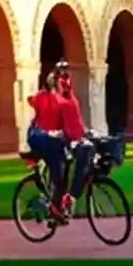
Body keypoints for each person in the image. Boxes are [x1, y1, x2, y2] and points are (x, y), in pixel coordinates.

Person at [26, 70, 67, 218]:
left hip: (44, 137)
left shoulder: (44, 98)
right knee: (57, 166)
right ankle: (54, 205)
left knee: (62, 162)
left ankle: (56, 198)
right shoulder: (55, 100)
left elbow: (30, 100)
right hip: (40, 138)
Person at [54, 67, 93, 215]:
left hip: (76, 137)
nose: (65, 82)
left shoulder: (70, 98)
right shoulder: (58, 100)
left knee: (88, 156)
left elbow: (76, 120)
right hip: (65, 140)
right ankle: (64, 200)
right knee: (72, 161)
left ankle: (70, 197)